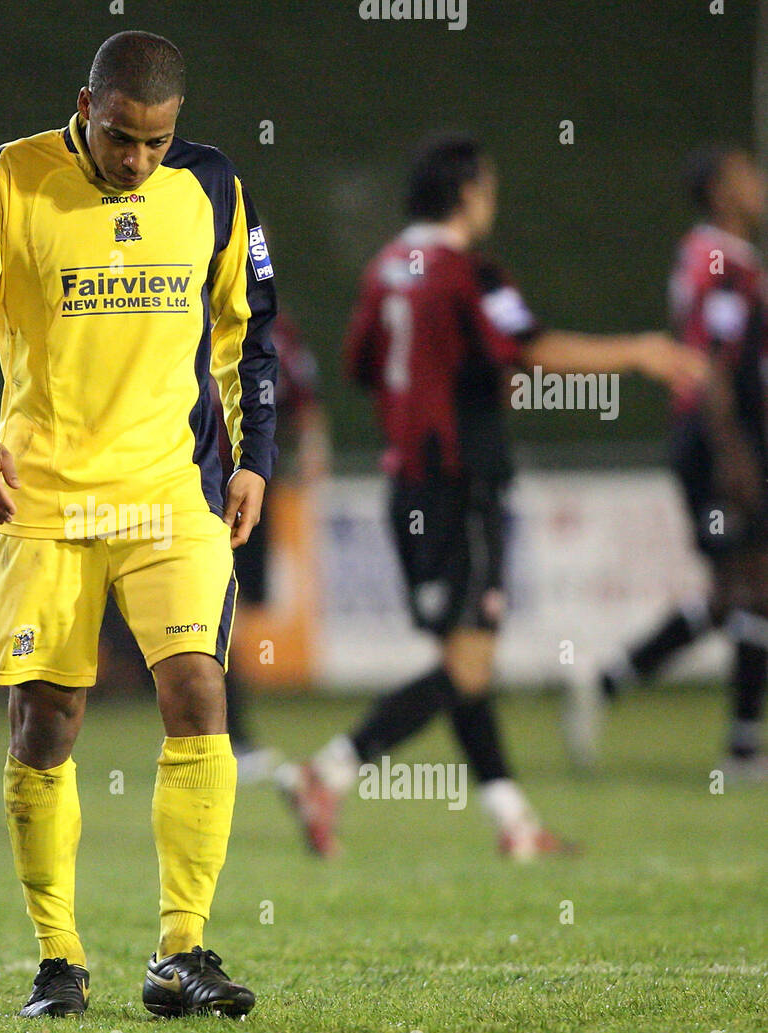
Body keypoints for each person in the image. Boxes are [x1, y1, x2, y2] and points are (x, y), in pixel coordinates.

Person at [0, 30, 277, 1018]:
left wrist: (256, 459)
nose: (138, 161)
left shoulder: (212, 185)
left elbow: (249, 330)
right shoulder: (12, 177)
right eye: (122, 138)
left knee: (198, 692)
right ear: (85, 106)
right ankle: (58, 960)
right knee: (47, 719)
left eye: (158, 143)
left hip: (172, 490)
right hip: (42, 493)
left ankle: (182, 952)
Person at [280, 133, 707, 861]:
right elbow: (532, 347)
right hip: (461, 482)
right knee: (469, 665)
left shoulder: (387, 269)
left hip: (407, 483)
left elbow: (364, 365)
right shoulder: (467, 273)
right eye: (489, 188)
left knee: (464, 665)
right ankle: (329, 770)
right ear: (469, 191)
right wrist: (640, 351)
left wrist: (455, 379)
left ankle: (515, 824)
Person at [565, 148, 768, 782]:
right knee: (754, 590)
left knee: (733, 594)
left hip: (724, 438)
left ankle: (608, 681)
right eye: (744, 174)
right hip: (718, 441)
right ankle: (740, 750)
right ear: (719, 192)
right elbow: (711, 364)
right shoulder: (720, 261)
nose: (758, 182)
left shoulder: (728, 258)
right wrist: (733, 451)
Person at [214, 308, 330, 781]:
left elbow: (304, 400)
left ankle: (218, 735)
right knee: (214, 611)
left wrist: (313, 451)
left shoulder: (275, 329)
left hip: (247, 486)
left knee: (233, 614)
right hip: (193, 483)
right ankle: (226, 738)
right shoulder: (184, 311)